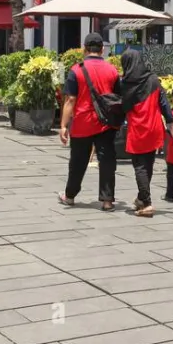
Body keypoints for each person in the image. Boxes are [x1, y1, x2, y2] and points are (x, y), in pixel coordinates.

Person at [59, 32, 122, 212]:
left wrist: (63, 126)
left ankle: (70, 196)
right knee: (107, 161)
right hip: (105, 123)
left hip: (82, 123)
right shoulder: (112, 70)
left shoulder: (76, 70)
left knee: (77, 162)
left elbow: (70, 100)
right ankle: (107, 200)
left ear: (84, 49)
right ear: (102, 49)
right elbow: (118, 97)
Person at [119, 48, 173, 219]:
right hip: (154, 128)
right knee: (148, 165)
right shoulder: (153, 79)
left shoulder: (125, 84)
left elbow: (122, 107)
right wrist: (171, 124)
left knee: (139, 166)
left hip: (137, 129)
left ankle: (146, 203)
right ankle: (141, 198)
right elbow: (164, 104)